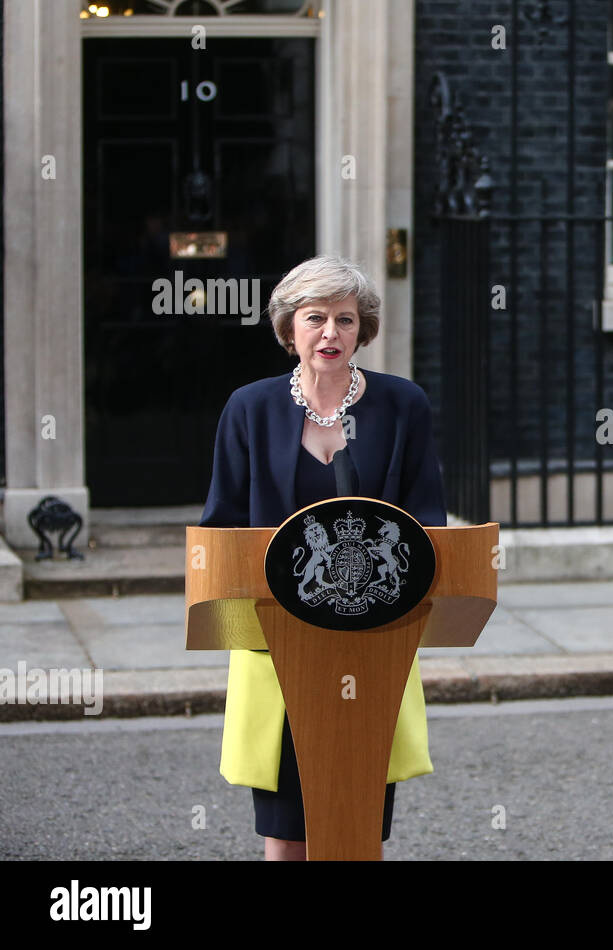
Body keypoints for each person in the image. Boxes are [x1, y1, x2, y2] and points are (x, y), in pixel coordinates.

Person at [200, 255, 446, 859]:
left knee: (359, 817)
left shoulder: (402, 405)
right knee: (284, 830)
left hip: (373, 641)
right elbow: (221, 528)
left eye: (345, 319)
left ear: (363, 329)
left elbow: (428, 525)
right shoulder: (250, 408)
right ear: (290, 330)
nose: (330, 333)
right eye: (315, 318)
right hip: (278, 645)